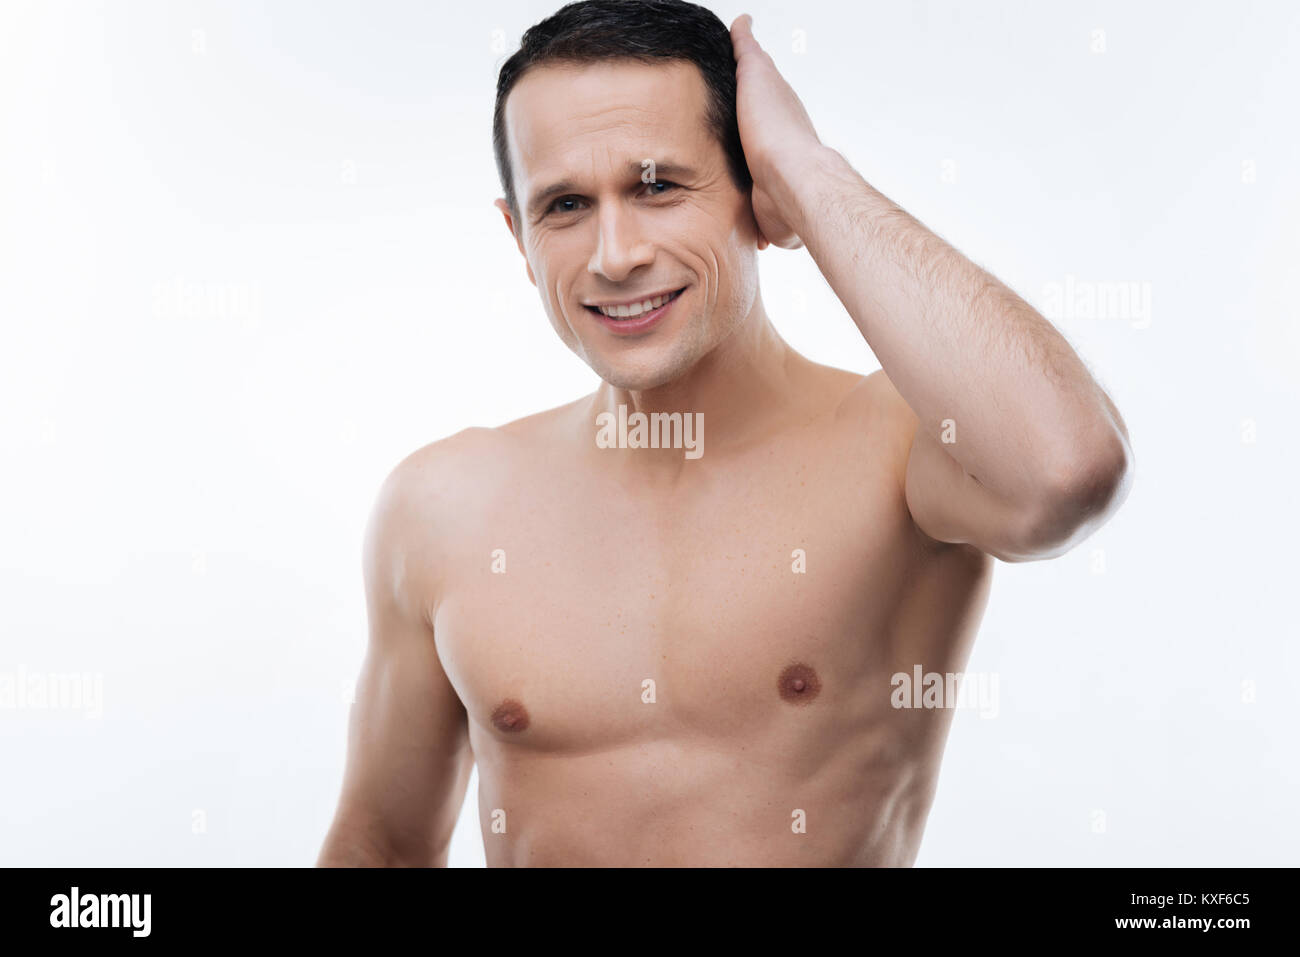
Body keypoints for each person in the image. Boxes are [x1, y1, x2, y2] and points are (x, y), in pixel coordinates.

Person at [317, 0, 1133, 867]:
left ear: (761, 198)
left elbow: (1066, 470)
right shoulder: (441, 505)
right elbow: (381, 843)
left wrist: (810, 175)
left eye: (657, 185)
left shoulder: (900, 455)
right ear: (520, 237)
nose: (614, 254)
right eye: (564, 205)